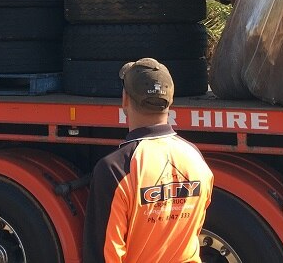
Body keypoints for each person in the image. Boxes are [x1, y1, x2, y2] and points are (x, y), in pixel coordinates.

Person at [83, 58, 214, 263]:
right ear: (169, 101)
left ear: (125, 99)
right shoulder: (195, 158)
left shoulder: (116, 169)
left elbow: (105, 254)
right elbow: (194, 229)